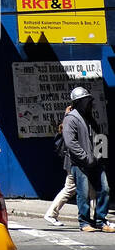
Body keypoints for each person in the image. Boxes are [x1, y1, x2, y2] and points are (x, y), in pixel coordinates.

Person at [62, 86, 114, 233]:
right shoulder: (71, 119)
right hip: (80, 163)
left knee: (104, 189)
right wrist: (85, 158)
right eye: (87, 100)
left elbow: (99, 137)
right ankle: (84, 222)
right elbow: (70, 142)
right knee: (83, 193)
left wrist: (100, 155)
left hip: (95, 161)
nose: (90, 102)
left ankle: (100, 220)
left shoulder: (90, 117)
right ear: (78, 102)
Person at [45, 110, 77, 227]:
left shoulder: (67, 125)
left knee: (91, 189)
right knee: (69, 188)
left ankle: (96, 217)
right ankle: (51, 214)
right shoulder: (70, 126)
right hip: (74, 163)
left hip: (73, 163)